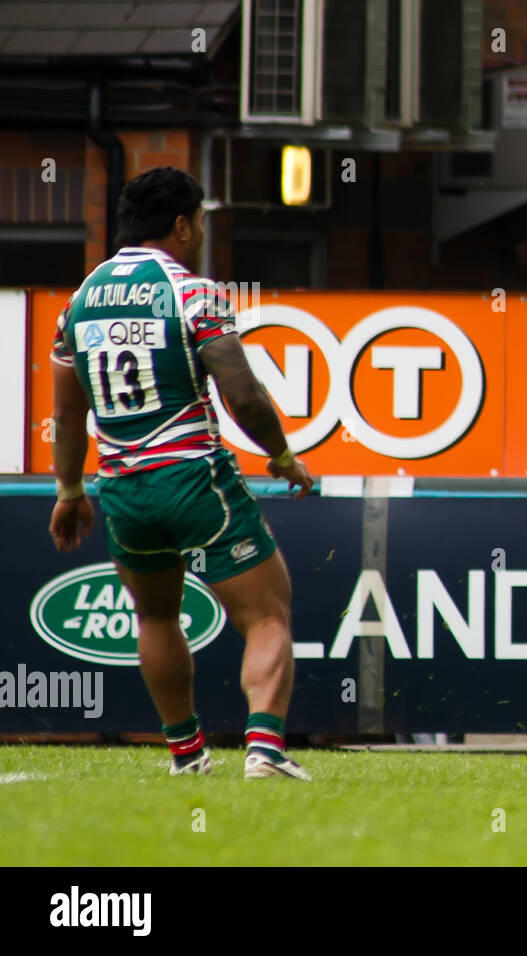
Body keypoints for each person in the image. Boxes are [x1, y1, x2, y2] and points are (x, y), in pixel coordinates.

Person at [47, 166, 314, 781]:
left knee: (156, 616)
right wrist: (281, 456)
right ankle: (265, 750)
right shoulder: (193, 293)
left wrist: (69, 490)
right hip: (195, 479)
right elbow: (242, 395)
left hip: (123, 489)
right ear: (181, 226)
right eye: (198, 219)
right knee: (267, 614)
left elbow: (66, 413)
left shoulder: (79, 301)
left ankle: (187, 756)